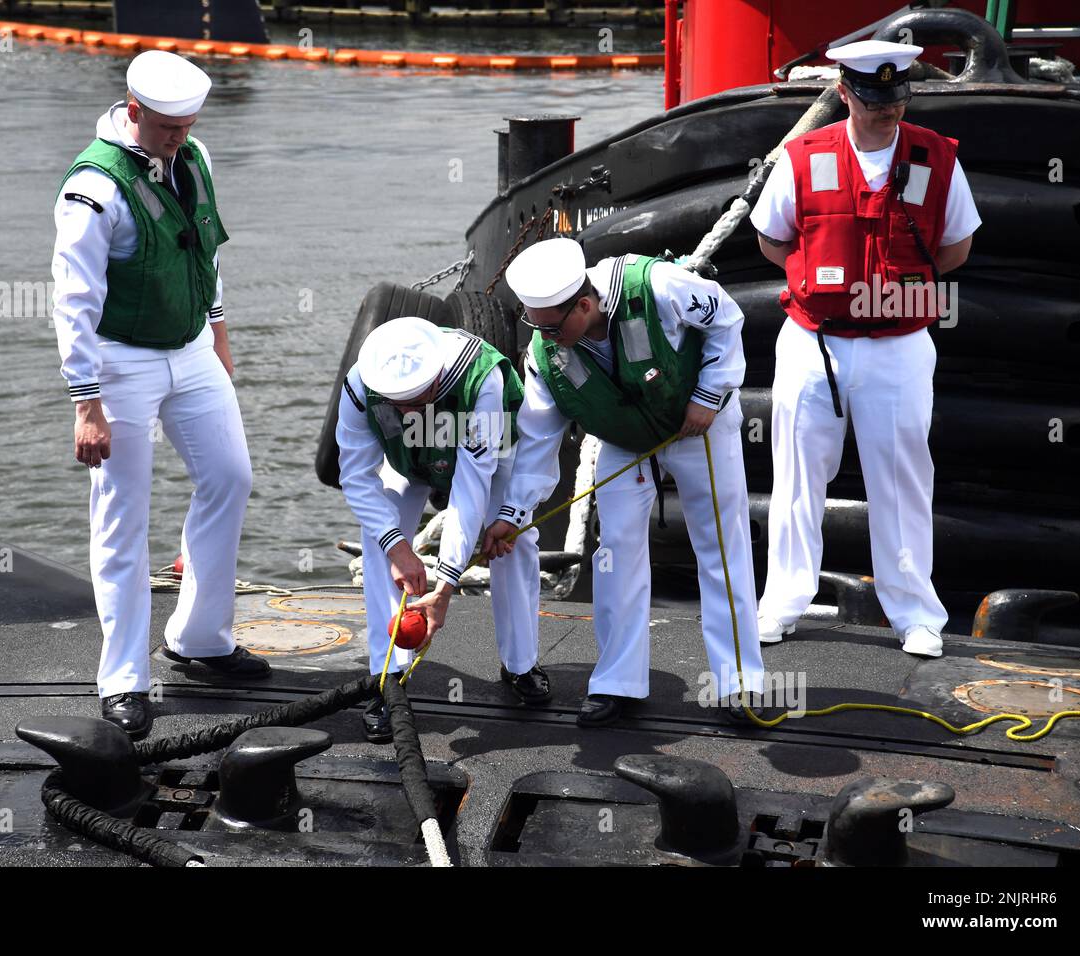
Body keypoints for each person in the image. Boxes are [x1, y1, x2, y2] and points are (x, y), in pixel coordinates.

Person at [51, 50, 269, 741]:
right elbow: (74, 301)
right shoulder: (94, 188)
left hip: (191, 348)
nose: (179, 137)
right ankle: (123, 678)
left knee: (230, 476)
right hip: (120, 362)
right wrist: (86, 402)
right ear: (134, 111)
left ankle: (200, 637)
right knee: (123, 515)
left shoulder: (193, 157)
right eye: (167, 126)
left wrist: (219, 335)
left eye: (187, 125)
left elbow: (204, 255)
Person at [749, 40, 982, 658]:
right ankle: (782, 601)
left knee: (902, 479)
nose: (888, 111)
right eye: (875, 99)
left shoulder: (937, 159)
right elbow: (773, 241)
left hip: (899, 345)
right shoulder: (801, 158)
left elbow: (956, 247)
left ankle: (916, 615)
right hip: (813, 341)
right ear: (845, 93)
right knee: (797, 476)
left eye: (897, 98)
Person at [487, 237, 765, 727]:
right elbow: (536, 441)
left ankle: (739, 683)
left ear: (586, 305)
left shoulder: (658, 286)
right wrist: (513, 514)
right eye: (535, 326)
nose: (544, 337)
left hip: (699, 421)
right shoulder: (544, 356)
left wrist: (708, 393)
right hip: (623, 439)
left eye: (552, 326)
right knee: (614, 553)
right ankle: (617, 681)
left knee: (722, 547)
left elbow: (727, 319)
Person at [336, 316, 550, 742]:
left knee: (515, 542)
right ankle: (387, 676)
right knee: (378, 537)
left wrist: (446, 583)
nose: (411, 412)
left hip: (489, 460)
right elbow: (356, 475)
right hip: (410, 463)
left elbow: (471, 485)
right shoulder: (361, 385)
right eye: (399, 405)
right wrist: (397, 547)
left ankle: (520, 664)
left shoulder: (480, 379)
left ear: (439, 376)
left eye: (419, 399)